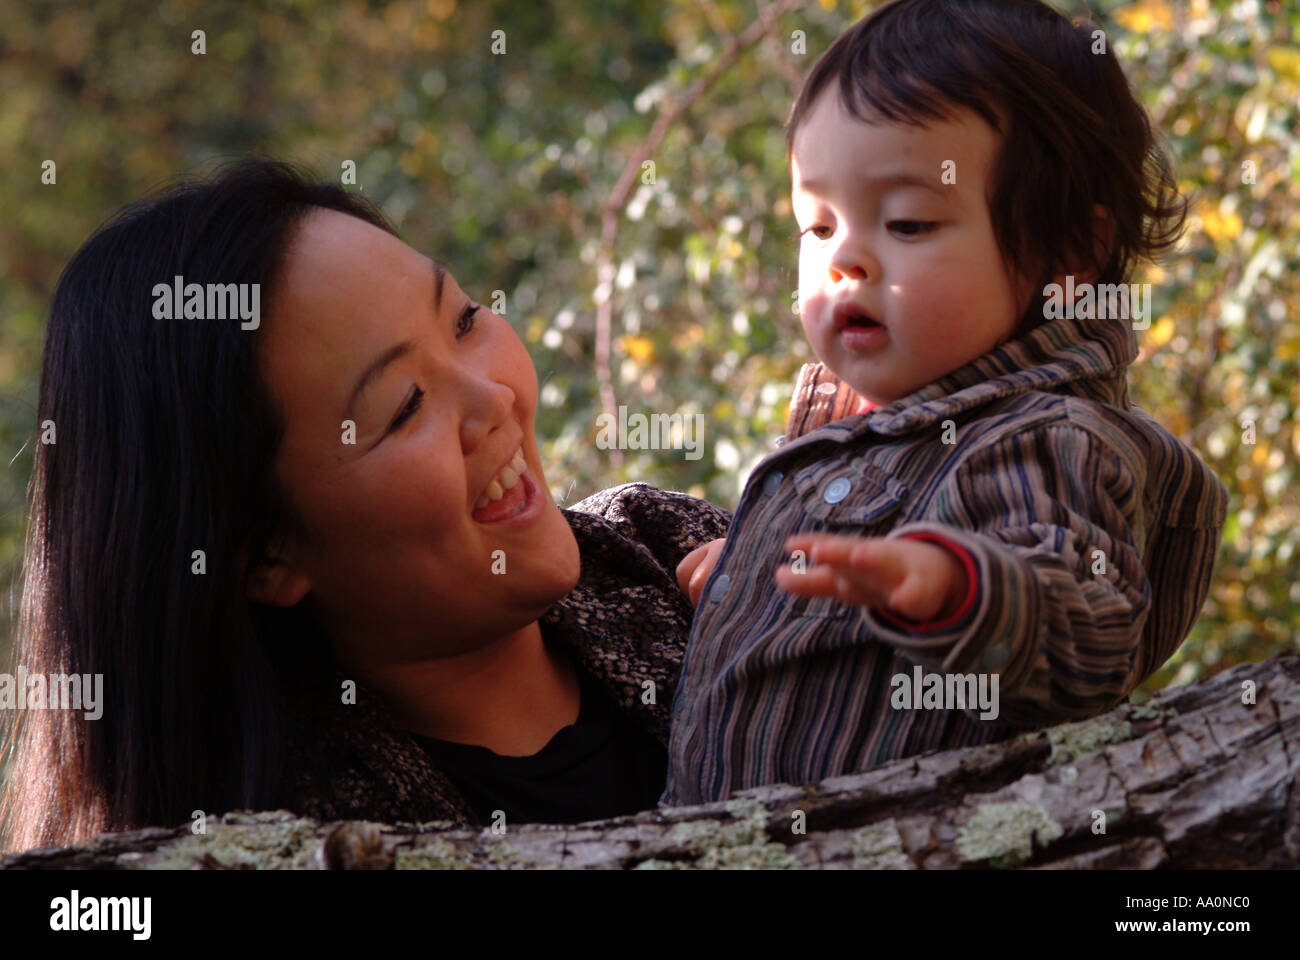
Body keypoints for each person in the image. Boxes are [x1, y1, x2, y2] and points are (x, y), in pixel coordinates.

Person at [0, 157, 728, 853]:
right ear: (265, 555)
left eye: (466, 321)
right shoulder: (300, 842)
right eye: (405, 406)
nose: (494, 399)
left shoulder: (671, 556)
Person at [662, 0, 1229, 808]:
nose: (845, 259)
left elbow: (1091, 626)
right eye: (816, 226)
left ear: (1070, 252)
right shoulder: (858, 431)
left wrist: (956, 587)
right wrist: (758, 580)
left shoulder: (1044, 438)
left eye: (908, 221)